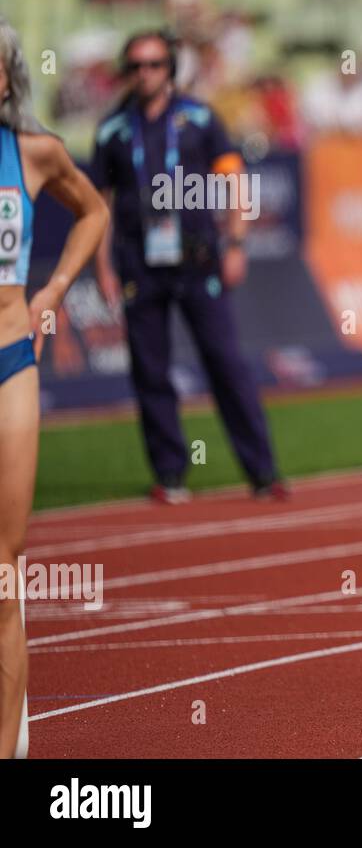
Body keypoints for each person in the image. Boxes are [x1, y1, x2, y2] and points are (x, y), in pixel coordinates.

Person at [90, 28, 286, 503]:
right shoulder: (113, 129)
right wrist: (102, 267)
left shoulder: (199, 118)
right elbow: (98, 205)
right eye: (136, 66)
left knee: (226, 364)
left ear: (170, 69)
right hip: (139, 262)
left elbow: (234, 181)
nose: (145, 74)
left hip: (198, 260)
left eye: (155, 64)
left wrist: (236, 242)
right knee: (151, 372)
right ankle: (170, 474)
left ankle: (262, 472)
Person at [0, 16, 110, 758]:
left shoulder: (32, 152)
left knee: (3, 564)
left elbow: (94, 211)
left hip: (9, 357)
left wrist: (55, 290)